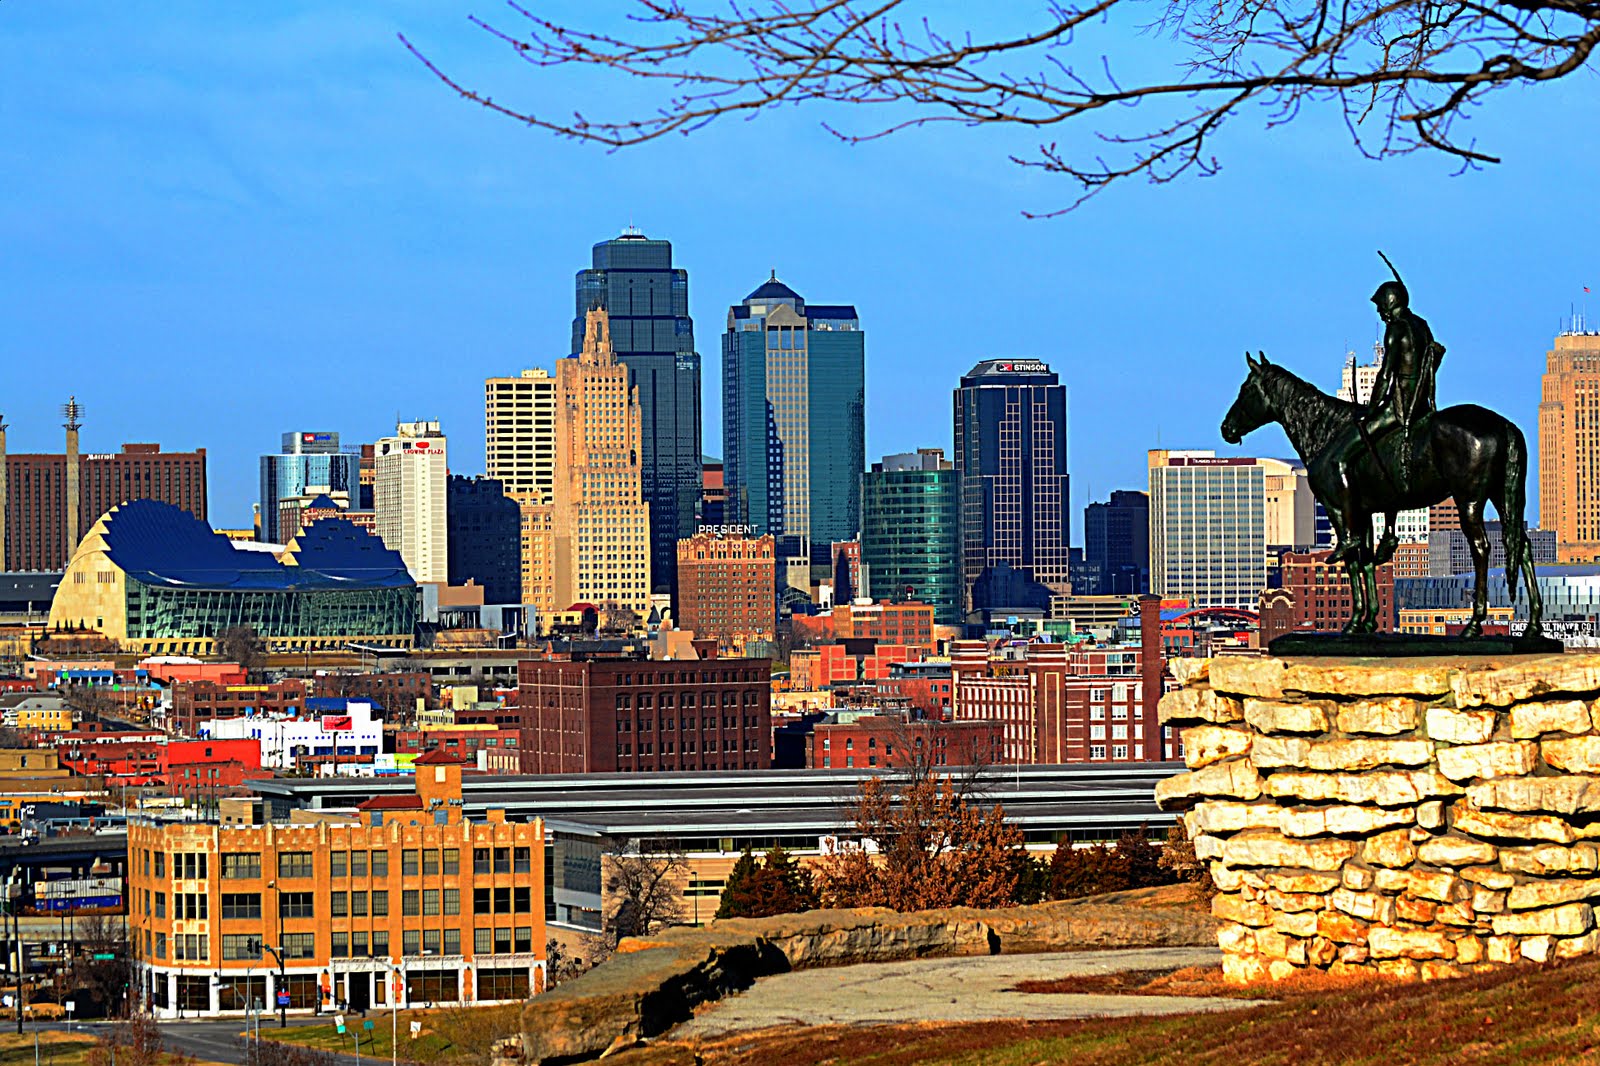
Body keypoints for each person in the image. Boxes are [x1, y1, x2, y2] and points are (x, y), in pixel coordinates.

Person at [1325, 257, 1445, 564]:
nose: (1379, 312)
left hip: (1399, 409)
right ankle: (1389, 530)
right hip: (1423, 407)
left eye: (1381, 306)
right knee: (1382, 459)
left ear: (1391, 303)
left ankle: (1351, 536)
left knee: (1341, 459)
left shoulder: (1396, 331)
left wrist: (1370, 409)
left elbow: (1386, 376)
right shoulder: (1422, 326)